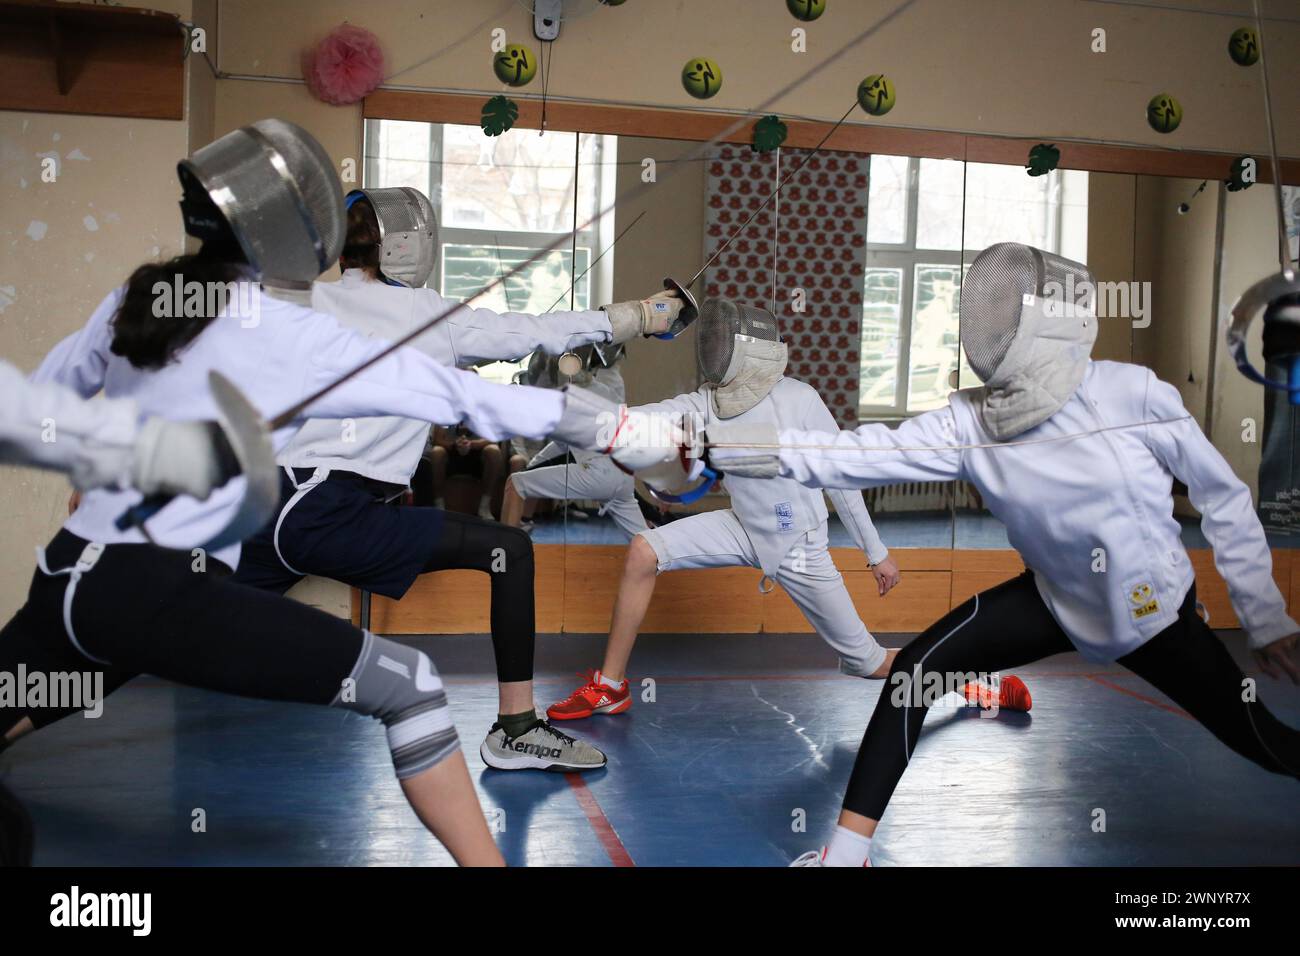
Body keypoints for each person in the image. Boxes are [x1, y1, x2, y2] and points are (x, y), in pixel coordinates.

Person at [4, 119, 622, 864]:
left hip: (70, 576)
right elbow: (466, 399)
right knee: (411, 684)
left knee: (92, 660)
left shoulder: (139, 296)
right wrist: (622, 429)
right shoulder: (287, 332)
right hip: (157, 585)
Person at [703, 243, 1300, 866]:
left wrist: (1263, 614)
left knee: (1267, 742)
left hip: (1150, 614)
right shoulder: (972, 421)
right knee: (914, 675)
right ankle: (845, 856)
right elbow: (847, 455)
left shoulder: (1131, 393)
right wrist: (719, 446)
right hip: (1053, 598)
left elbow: (1223, 496)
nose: (986, 329)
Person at [229, 185, 690, 772]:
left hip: (270, 503)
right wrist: (640, 317)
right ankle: (517, 730)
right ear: (412, 246)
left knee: (158, 625)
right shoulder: (432, 318)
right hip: (330, 511)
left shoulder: (307, 302)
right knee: (511, 550)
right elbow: (533, 331)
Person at [548, 297, 909, 722]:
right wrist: (561, 414)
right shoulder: (708, 401)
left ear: (747, 349)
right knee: (645, 549)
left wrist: (876, 552)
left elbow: (839, 479)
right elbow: (642, 417)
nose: (712, 348)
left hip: (797, 546)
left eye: (721, 340)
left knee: (872, 663)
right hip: (742, 526)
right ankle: (610, 687)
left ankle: (967, 678)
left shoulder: (799, 398)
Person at [502, 345, 650, 540]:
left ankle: (505, 548)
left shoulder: (567, 399)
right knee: (644, 541)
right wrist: (535, 464)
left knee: (516, 483)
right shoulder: (603, 390)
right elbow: (563, 444)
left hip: (598, 474)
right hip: (624, 478)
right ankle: (672, 560)